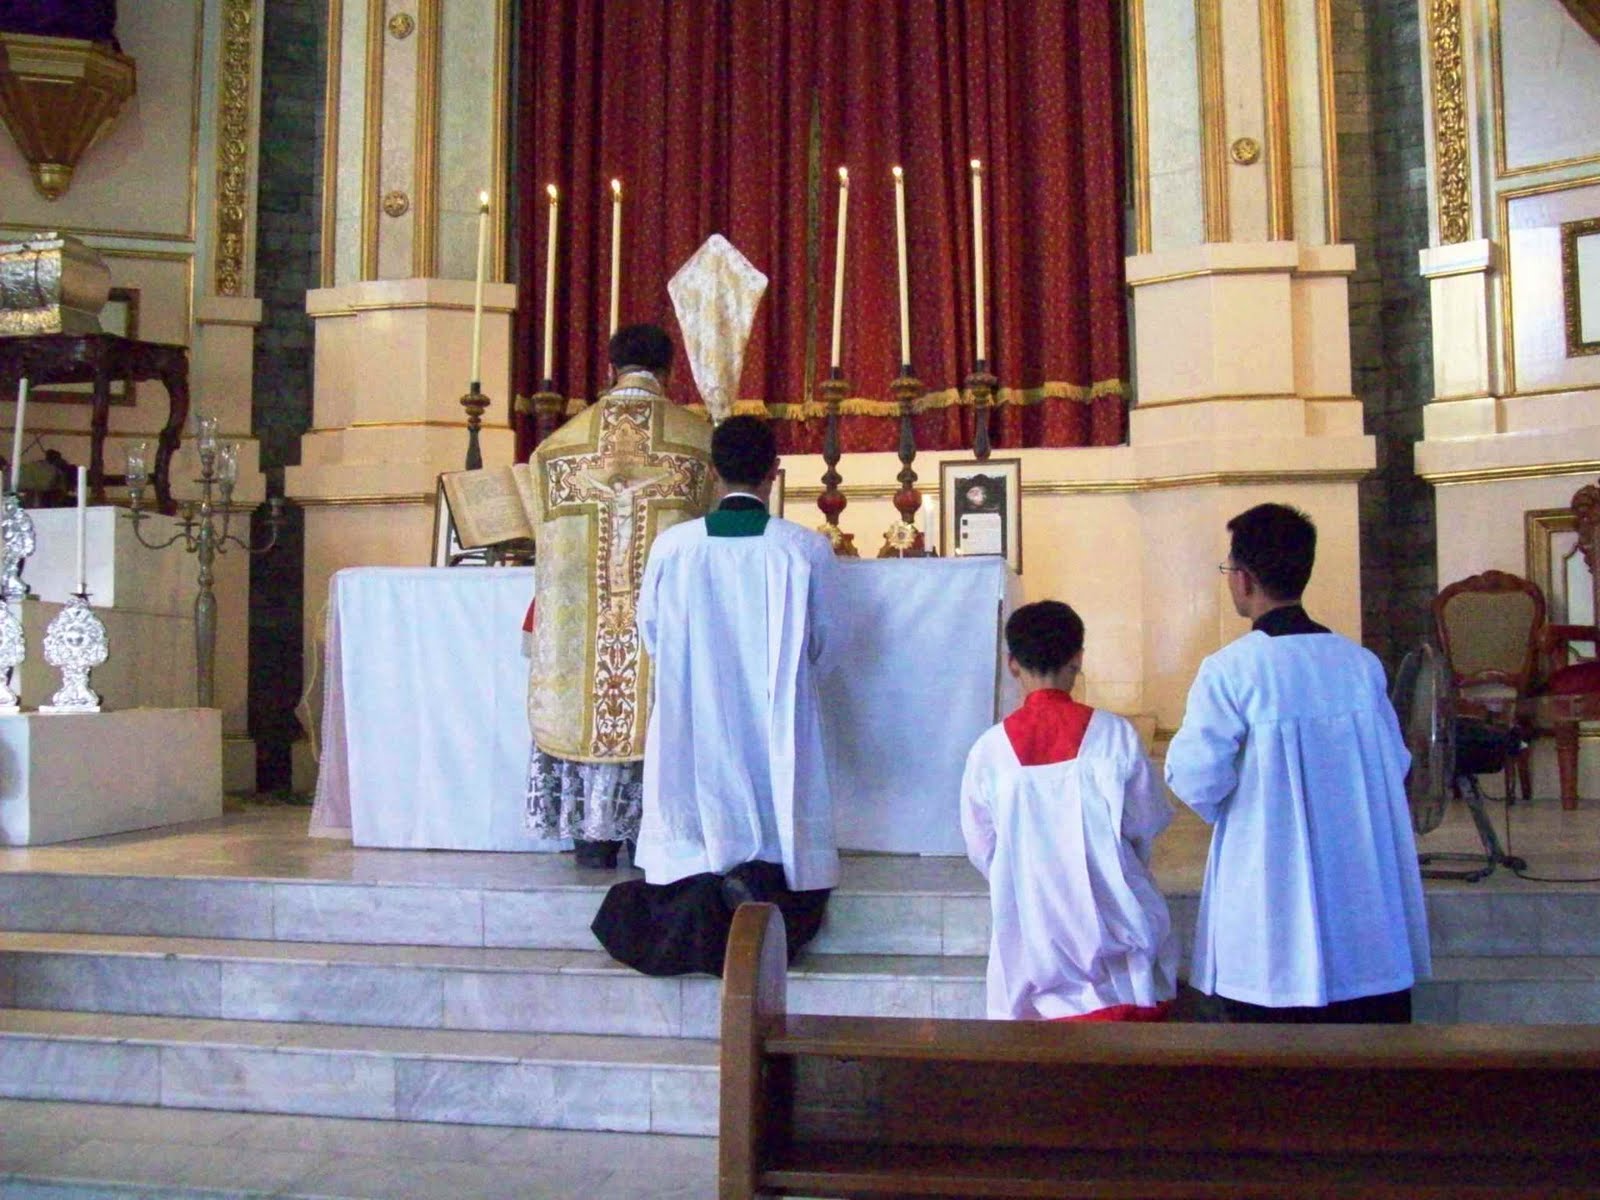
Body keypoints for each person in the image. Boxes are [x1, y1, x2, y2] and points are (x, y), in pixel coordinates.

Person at [1164, 502, 1431, 1023]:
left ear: (1243, 578)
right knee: (1367, 1043)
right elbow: (1395, 765)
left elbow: (1195, 776)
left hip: (1270, 889)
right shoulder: (1360, 665)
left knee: (1274, 1044)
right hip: (1361, 892)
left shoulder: (1232, 671)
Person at [592, 415, 838, 974]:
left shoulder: (673, 547)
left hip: (694, 710)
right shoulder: (803, 549)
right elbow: (824, 643)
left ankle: (701, 876)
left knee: (693, 805)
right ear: (774, 472)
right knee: (777, 799)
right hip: (775, 715)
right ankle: (764, 879)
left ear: (713, 471)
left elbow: (651, 632)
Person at [523, 324, 714, 868]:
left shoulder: (555, 449)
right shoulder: (699, 444)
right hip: (659, 625)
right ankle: (655, 835)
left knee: (591, 698)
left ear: (610, 368)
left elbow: (546, 544)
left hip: (588, 624)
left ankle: (592, 837)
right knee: (656, 704)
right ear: (670, 371)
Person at [961, 600, 1177, 1021]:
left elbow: (982, 848)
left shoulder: (989, 751)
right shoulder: (1115, 736)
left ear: (1012, 663)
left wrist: (1036, 875)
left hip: (1034, 939)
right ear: (1078, 658)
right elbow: (1145, 822)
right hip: (1115, 941)